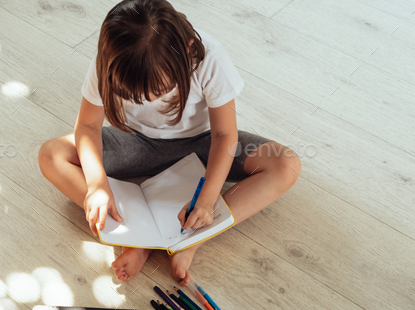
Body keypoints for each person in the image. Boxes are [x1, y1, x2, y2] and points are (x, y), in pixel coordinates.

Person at [39, 0, 301, 286]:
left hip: (203, 143)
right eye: (135, 94)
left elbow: (225, 135)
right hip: (137, 142)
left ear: (187, 50)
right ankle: (136, 238)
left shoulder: (209, 57)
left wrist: (207, 199)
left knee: (286, 164)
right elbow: (88, 126)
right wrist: (97, 185)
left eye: (161, 90)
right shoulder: (111, 60)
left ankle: (191, 240)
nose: (150, 100)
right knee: (52, 155)